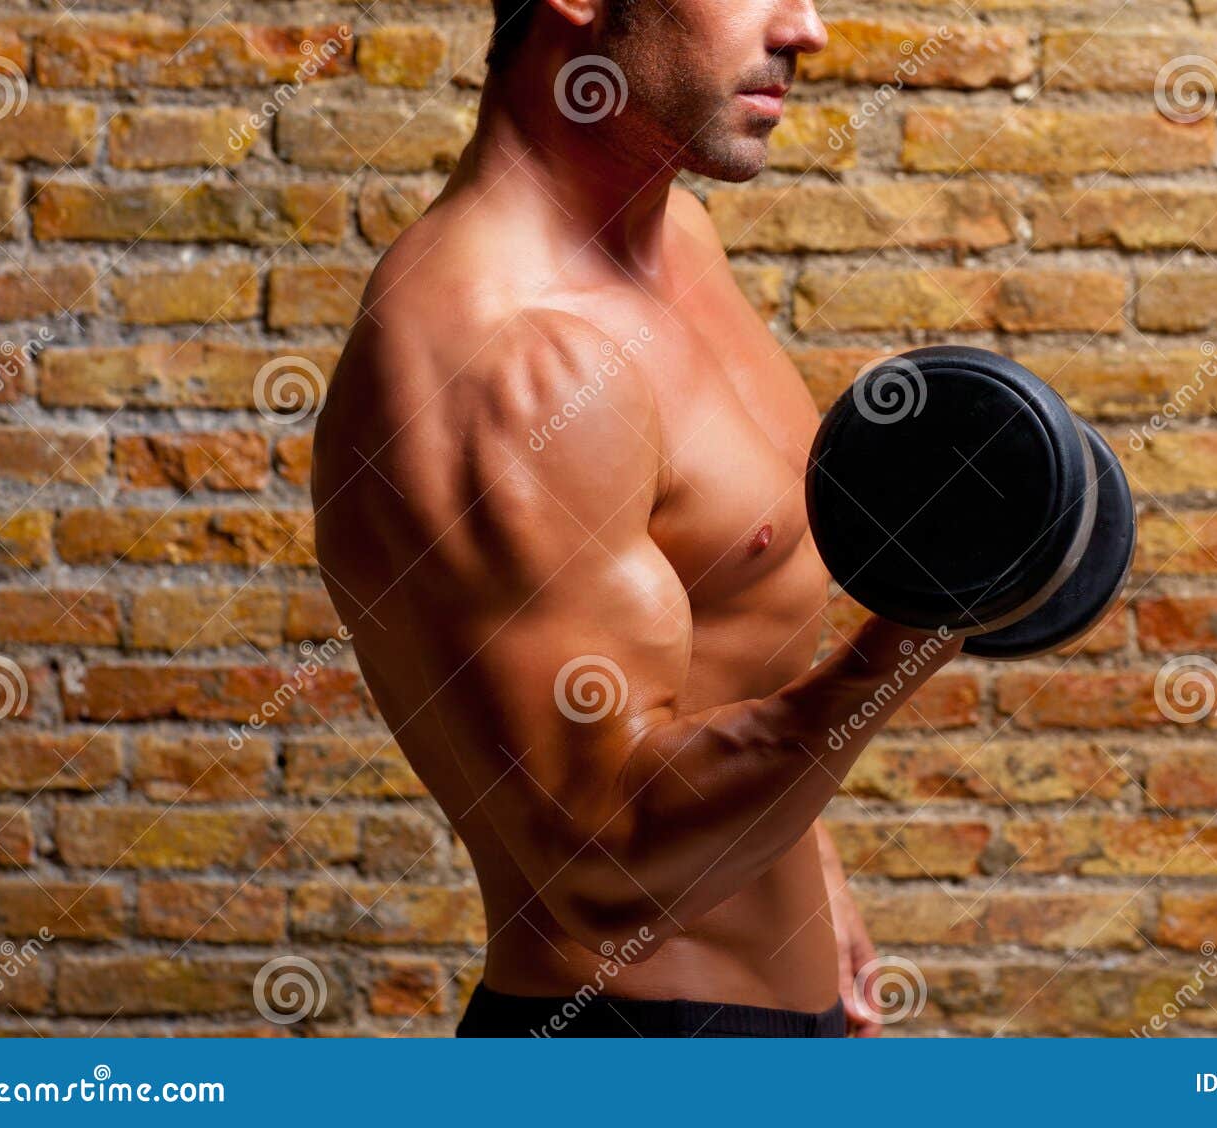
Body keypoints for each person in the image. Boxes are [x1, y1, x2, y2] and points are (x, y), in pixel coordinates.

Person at [311, 0, 963, 1038]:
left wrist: (807, 860)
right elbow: (602, 874)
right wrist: (928, 617)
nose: (807, 30)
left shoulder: (675, 241)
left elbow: (716, 644)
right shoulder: (512, 360)